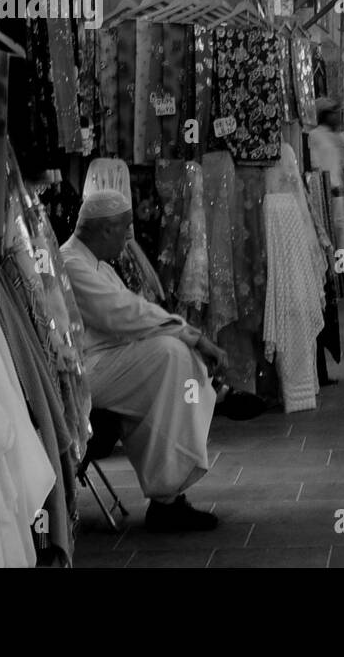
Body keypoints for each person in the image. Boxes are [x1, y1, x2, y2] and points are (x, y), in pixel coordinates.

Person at [60, 190, 231, 532]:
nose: (127, 240)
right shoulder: (71, 263)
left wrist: (186, 335)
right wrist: (192, 335)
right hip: (82, 373)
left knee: (172, 354)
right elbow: (122, 314)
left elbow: (129, 315)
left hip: (103, 363)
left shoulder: (95, 265)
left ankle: (169, 493)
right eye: (124, 230)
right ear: (105, 230)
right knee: (171, 353)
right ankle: (168, 496)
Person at [309, 96, 344, 288]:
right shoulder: (314, 135)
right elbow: (314, 165)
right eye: (334, 113)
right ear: (325, 115)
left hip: (339, 192)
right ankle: (328, 274)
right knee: (325, 233)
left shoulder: (338, 135)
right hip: (323, 192)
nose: (337, 116)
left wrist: (341, 133)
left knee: (341, 232)